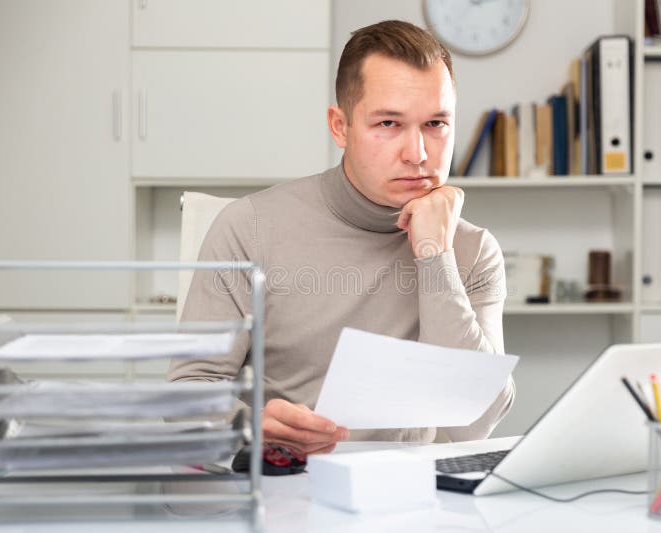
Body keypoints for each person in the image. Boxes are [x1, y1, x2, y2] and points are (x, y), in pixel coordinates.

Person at [169, 20, 515, 458]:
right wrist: (250, 427)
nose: (418, 153)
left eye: (435, 123)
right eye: (388, 123)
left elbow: (478, 425)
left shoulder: (471, 249)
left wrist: (435, 254)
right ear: (340, 126)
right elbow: (186, 395)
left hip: (410, 501)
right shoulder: (249, 227)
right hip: (288, 489)